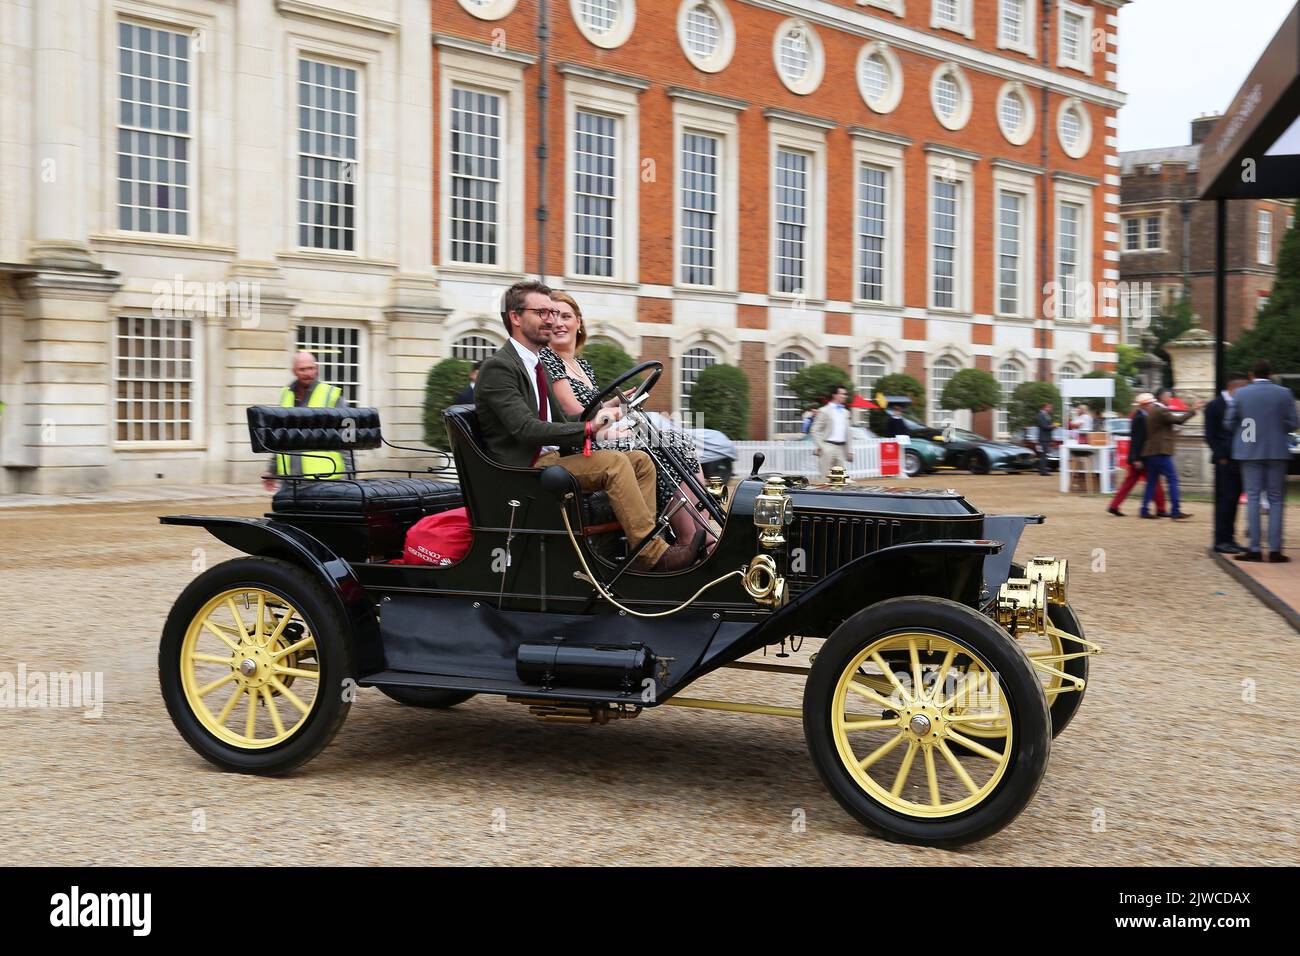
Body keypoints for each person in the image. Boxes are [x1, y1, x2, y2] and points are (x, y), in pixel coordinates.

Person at [473, 280, 700, 573]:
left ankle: (639, 550)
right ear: (515, 317)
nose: (551, 320)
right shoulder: (500, 367)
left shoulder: (534, 364)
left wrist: (602, 416)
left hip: (553, 459)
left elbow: (561, 422)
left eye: (553, 313)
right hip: (524, 470)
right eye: (542, 312)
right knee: (616, 463)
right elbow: (526, 429)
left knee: (642, 461)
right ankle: (653, 555)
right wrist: (591, 428)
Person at [538, 290, 717, 550]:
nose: (559, 323)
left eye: (566, 316)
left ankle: (702, 531)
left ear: (578, 323)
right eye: (553, 317)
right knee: (665, 447)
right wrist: (610, 424)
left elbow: (595, 408)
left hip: (598, 434)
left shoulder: (582, 365)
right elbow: (575, 413)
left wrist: (617, 405)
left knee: (681, 444)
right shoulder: (548, 360)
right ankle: (689, 538)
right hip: (581, 442)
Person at [1229, 360, 1297, 563]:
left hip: (1250, 450)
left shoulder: (1242, 393)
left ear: (1251, 374)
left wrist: (1248, 431)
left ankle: (1254, 548)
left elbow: (1230, 421)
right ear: (1271, 373)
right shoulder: (1284, 393)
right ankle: (1275, 549)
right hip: (1276, 451)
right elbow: (1293, 423)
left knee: (1253, 497)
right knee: (1276, 499)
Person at [262, 351, 351, 493]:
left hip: (324, 480)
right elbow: (280, 437)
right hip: (289, 480)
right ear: (294, 371)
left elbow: (347, 438)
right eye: (302, 369)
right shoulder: (286, 395)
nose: (308, 373)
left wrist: (349, 473)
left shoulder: (332, 396)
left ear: (317, 369)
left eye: (311, 368)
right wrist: (272, 470)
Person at [1204, 372, 1249, 553]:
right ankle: (1221, 540)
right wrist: (1221, 455)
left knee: (1233, 500)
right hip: (1225, 460)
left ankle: (1229, 537)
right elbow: (1210, 435)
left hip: (1240, 458)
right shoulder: (1214, 406)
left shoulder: (1241, 405)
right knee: (1225, 500)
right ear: (1234, 387)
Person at [1138, 391, 1200, 520]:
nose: (1170, 399)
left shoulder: (1152, 411)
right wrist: (1192, 410)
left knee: (1151, 482)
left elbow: (1160, 430)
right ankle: (1175, 510)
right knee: (1172, 480)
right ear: (1163, 397)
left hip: (1151, 451)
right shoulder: (1161, 410)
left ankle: (1144, 509)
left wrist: (1172, 433)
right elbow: (1179, 420)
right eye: (1169, 396)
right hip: (1161, 451)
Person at [1108, 399, 1166, 517]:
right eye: (1150, 403)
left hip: (1139, 457)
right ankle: (1161, 509)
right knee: (1155, 482)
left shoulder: (1139, 416)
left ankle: (1114, 506)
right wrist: (1137, 459)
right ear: (1144, 405)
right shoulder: (1140, 419)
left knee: (1129, 483)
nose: (1152, 405)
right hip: (1142, 458)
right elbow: (1137, 441)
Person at [810, 386, 854, 479]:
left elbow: (848, 433)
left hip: (841, 449)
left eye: (845, 394)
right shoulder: (824, 410)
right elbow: (814, 429)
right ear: (834, 395)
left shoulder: (846, 412)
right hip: (827, 446)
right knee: (825, 479)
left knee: (839, 479)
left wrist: (849, 450)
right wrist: (821, 446)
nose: (845, 396)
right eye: (842, 394)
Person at [1035, 402, 1054, 475]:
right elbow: (1044, 426)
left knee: (1045, 455)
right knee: (1043, 455)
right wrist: (1052, 426)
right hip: (1043, 438)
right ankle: (1043, 471)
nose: (1050, 409)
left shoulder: (1046, 415)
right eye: (1049, 407)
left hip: (1046, 438)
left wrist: (1052, 427)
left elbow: (1047, 426)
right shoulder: (1041, 415)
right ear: (1045, 407)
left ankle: (1043, 470)